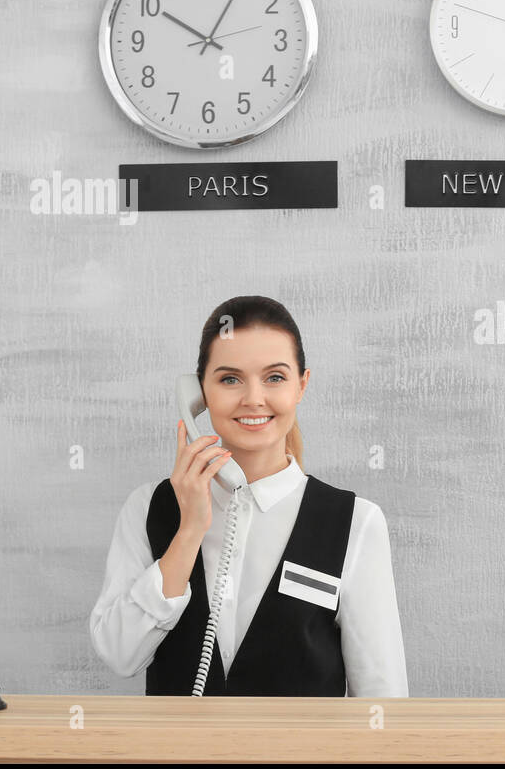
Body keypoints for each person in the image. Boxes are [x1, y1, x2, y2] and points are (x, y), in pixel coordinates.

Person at [89, 295, 407, 697]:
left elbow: (383, 698)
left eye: (274, 377)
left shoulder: (356, 523)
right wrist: (188, 533)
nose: (253, 398)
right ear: (199, 391)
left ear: (301, 385)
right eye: (230, 379)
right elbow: (119, 656)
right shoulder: (147, 508)